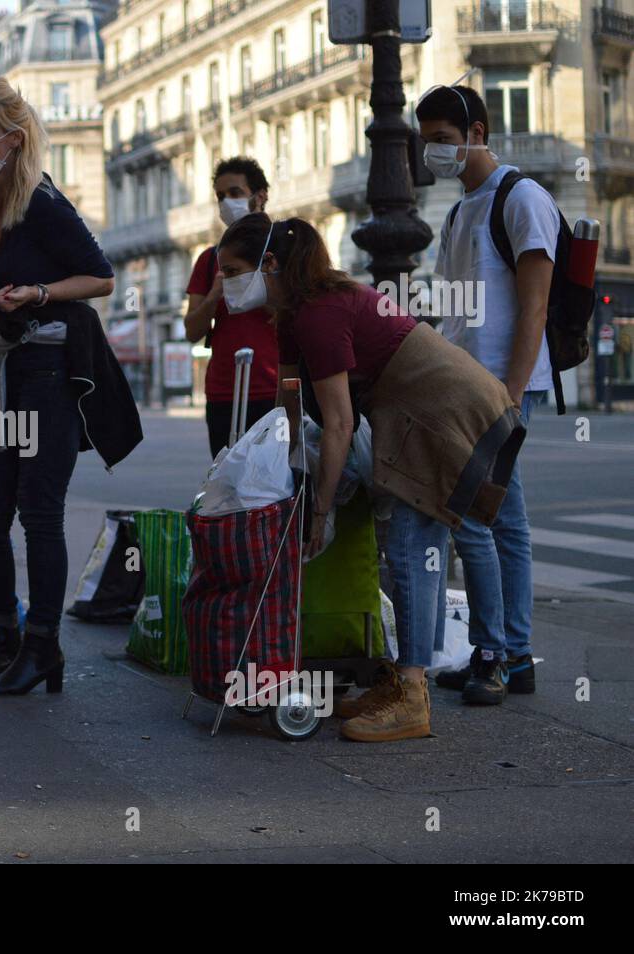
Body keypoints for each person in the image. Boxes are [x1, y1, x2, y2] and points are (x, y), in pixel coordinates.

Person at [216, 214, 525, 741]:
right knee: (408, 546)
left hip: (446, 411)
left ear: (270, 264)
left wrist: (318, 512)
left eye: (233, 270)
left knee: (410, 548)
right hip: (418, 409)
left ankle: (411, 694)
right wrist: (284, 465)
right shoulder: (293, 312)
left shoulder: (318, 312)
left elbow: (337, 424)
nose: (226, 283)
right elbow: (291, 399)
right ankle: (403, 677)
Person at [0, 78, 141, 695]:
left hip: (49, 373)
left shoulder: (45, 202)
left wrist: (38, 293)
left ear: (13, 138)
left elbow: (101, 278)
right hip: (1, 371)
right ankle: (4, 638)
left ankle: (43, 647)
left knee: (39, 513)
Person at [416, 84, 556, 705]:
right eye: (426, 144)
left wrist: (510, 394)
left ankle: (492, 654)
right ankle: (516, 654)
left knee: (471, 517)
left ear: (477, 132)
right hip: (462, 385)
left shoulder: (521, 198)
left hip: (499, 387)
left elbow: (535, 308)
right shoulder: (455, 212)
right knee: (506, 522)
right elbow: (451, 310)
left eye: (442, 141)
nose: (433, 154)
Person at [184, 157, 280, 457]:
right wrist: (215, 295)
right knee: (227, 477)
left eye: (235, 193)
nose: (227, 203)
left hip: (276, 387)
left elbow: (303, 315)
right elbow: (191, 331)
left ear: (260, 195)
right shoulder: (210, 259)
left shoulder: (284, 249)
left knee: (278, 480)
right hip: (225, 391)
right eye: (220, 196)